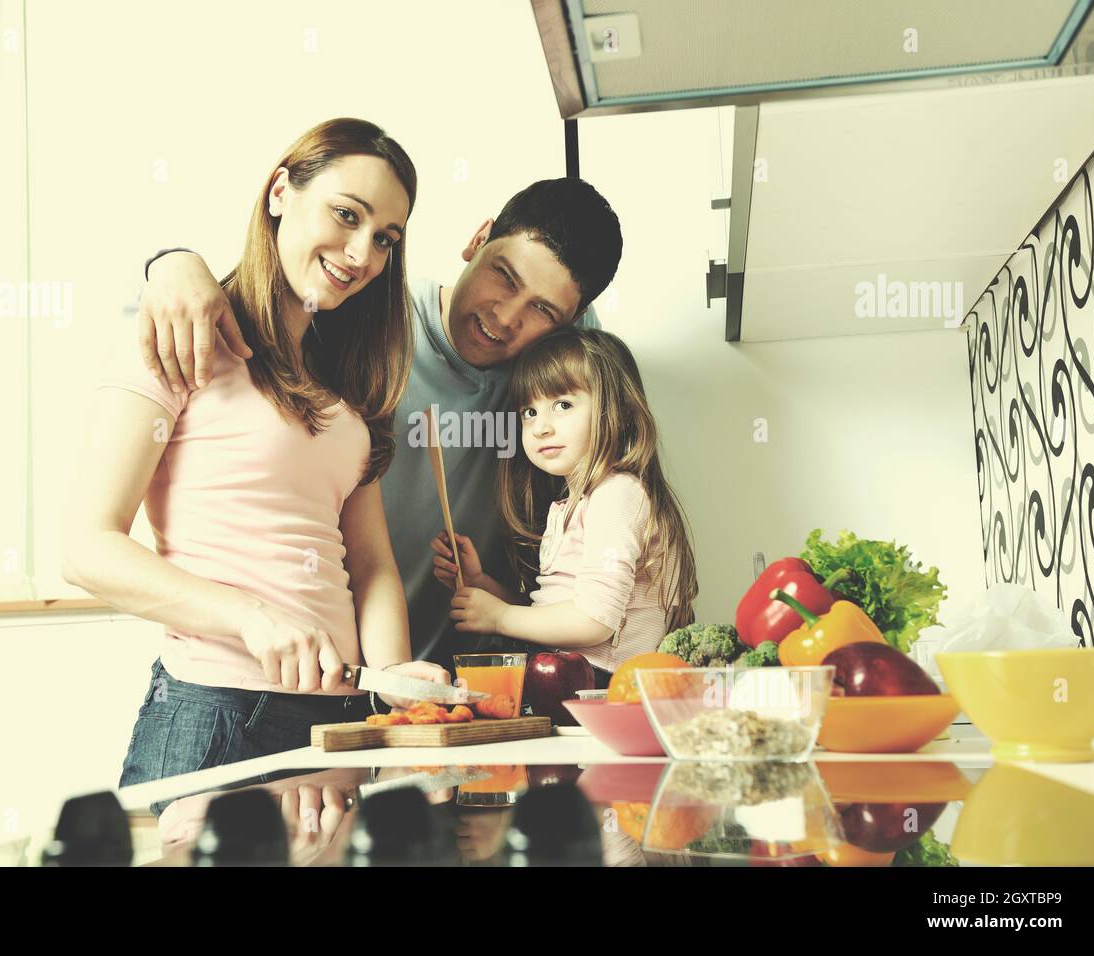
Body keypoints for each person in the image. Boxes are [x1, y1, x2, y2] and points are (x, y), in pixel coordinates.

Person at [61, 118, 450, 817]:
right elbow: (87, 548)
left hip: (338, 726)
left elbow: (371, 564)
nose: (362, 253)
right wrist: (252, 618)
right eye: (346, 214)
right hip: (216, 717)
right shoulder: (181, 337)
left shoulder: (345, 389)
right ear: (280, 191)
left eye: (386, 238)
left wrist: (394, 689)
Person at [137, 177, 623, 667]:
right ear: (478, 239)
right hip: (313, 664)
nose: (506, 316)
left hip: (464, 674)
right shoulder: (368, 315)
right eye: (505, 276)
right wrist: (173, 262)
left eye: (542, 309)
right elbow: (270, 287)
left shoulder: (561, 360)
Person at [432, 329, 698, 689]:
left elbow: (593, 620)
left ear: (616, 409)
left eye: (563, 405)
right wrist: (483, 585)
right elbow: (557, 612)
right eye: (529, 411)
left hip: (603, 685)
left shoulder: (617, 495)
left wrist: (501, 617)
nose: (541, 427)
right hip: (572, 677)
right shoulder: (571, 505)